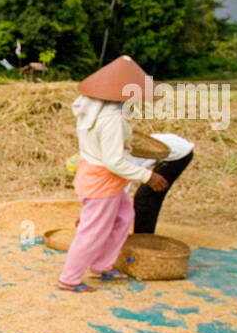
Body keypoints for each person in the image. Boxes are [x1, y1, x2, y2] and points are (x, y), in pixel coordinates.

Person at [58, 56, 168, 293]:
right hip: (102, 181)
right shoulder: (111, 119)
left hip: (101, 177)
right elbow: (113, 161)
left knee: (123, 217)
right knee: (93, 230)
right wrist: (148, 176)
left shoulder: (92, 106)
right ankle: (69, 278)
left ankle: (103, 264)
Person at [129, 134, 194, 234]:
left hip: (178, 155)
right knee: (144, 198)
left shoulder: (122, 160)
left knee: (144, 198)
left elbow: (120, 194)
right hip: (170, 146)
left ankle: (143, 242)